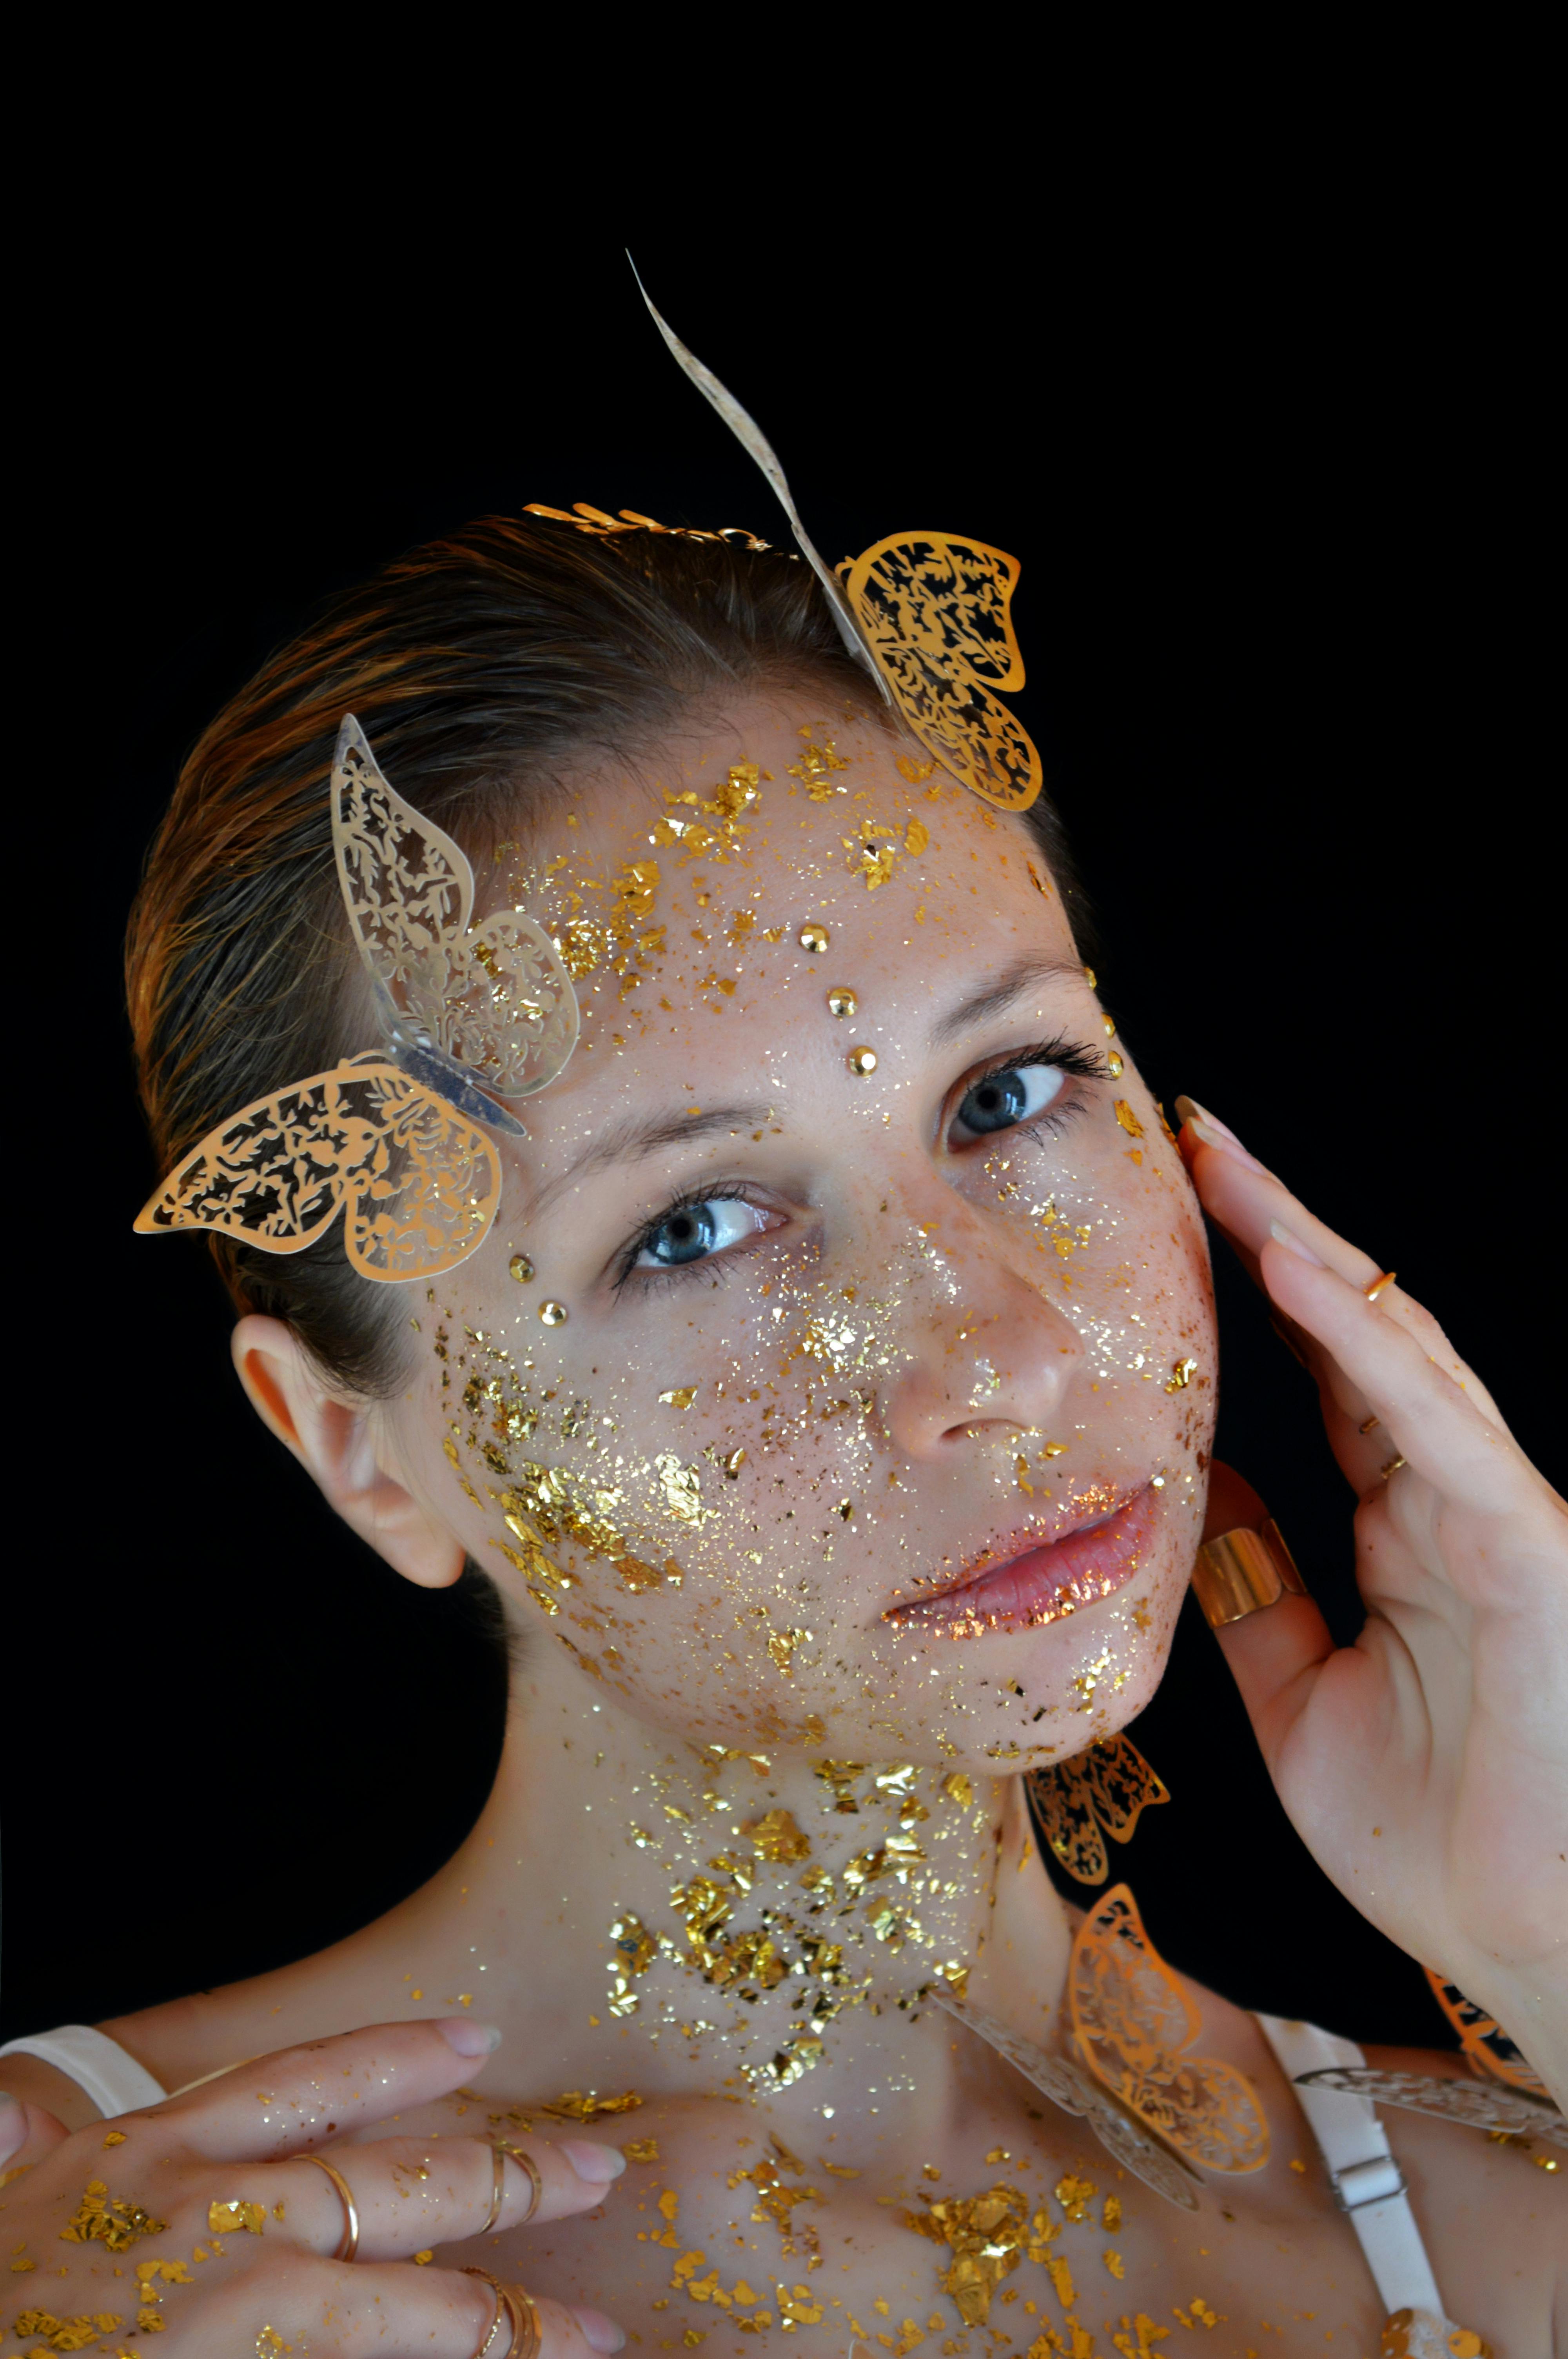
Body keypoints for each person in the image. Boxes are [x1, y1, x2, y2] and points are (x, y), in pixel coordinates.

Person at [1, 507, 1562, 2357]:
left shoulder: (1492, 2232)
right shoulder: (67, 2255)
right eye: (692, 1227)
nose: (998, 1349)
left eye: (1011, 1090)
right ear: (362, 1452)